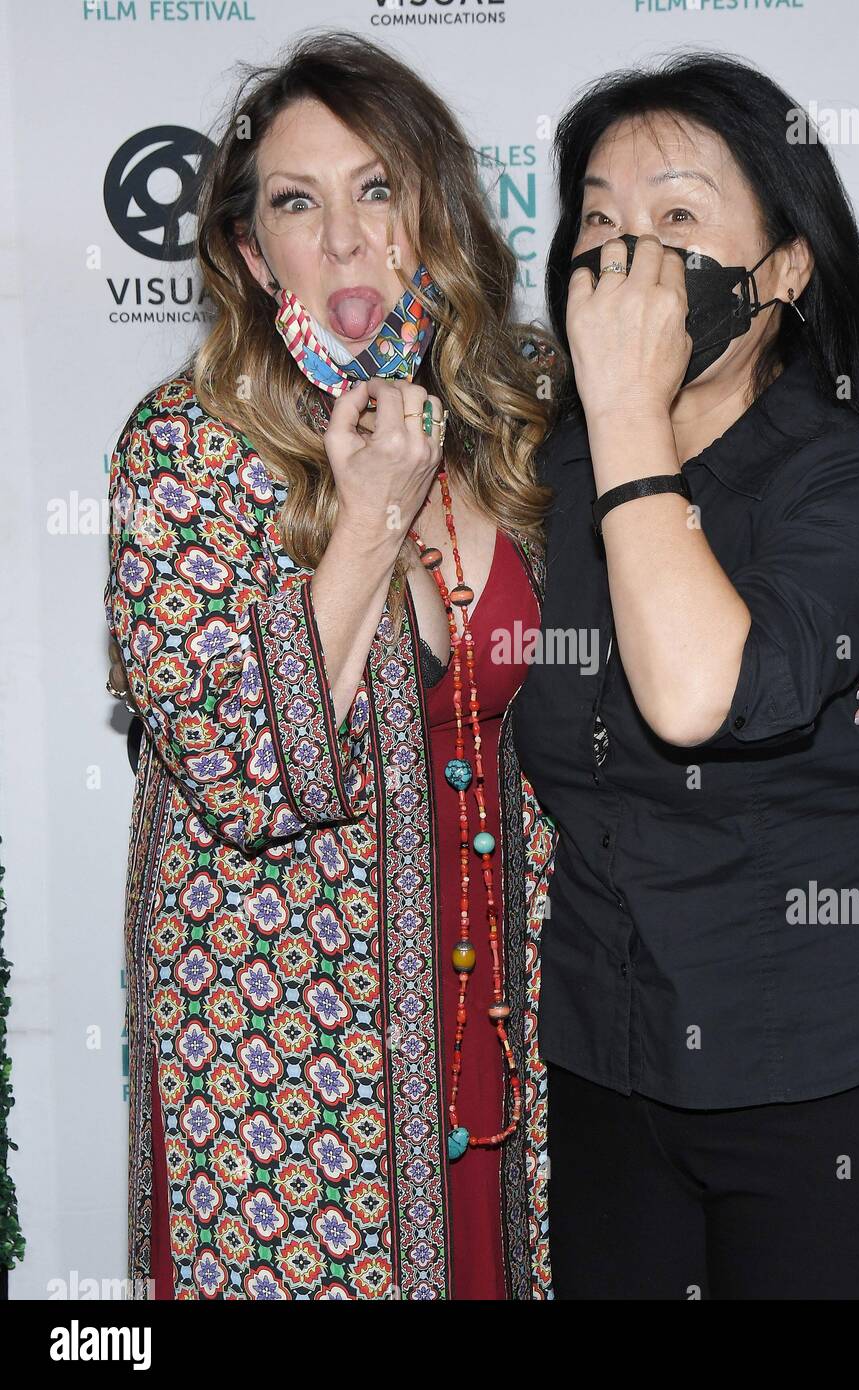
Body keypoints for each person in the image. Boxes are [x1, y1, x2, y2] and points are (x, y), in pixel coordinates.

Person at [511, 52, 859, 1300]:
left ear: (783, 269)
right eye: (602, 223)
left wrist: (627, 415)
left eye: (678, 219)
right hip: (600, 1064)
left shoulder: (856, 484)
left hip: (835, 1073)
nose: (628, 261)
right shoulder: (536, 473)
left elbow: (699, 696)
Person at [103, 31, 556, 1301]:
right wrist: (367, 517)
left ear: (432, 216)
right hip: (282, 1073)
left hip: (491, 1040)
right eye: (298, 203)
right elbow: (242, 773)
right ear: (253, 253)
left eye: (377, 190)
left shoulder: (509, 422)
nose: (346, 240)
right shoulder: (182, 453)